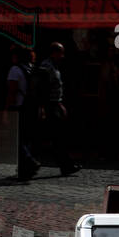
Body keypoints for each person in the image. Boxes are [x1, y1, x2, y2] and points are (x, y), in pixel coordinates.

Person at [35, 42, 80, 177]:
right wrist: (43, 107)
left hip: (55, 104)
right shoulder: (46, 67)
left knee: (58, 137)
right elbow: (42, 89)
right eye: (60, 52)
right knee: (56, 137)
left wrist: (60, 104)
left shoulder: (54, 66)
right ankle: (66, 165)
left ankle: (67, 165)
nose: (62, 56)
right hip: (49, 106)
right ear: (54, 53)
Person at [6, 46, 41, 181]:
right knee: (26, 138)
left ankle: (30, 161)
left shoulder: (15, 70)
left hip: (19, 106)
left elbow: (12, 91)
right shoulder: (31, 68)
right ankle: (25, 171)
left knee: (16, 139)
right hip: (31, 106)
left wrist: (7, 109)